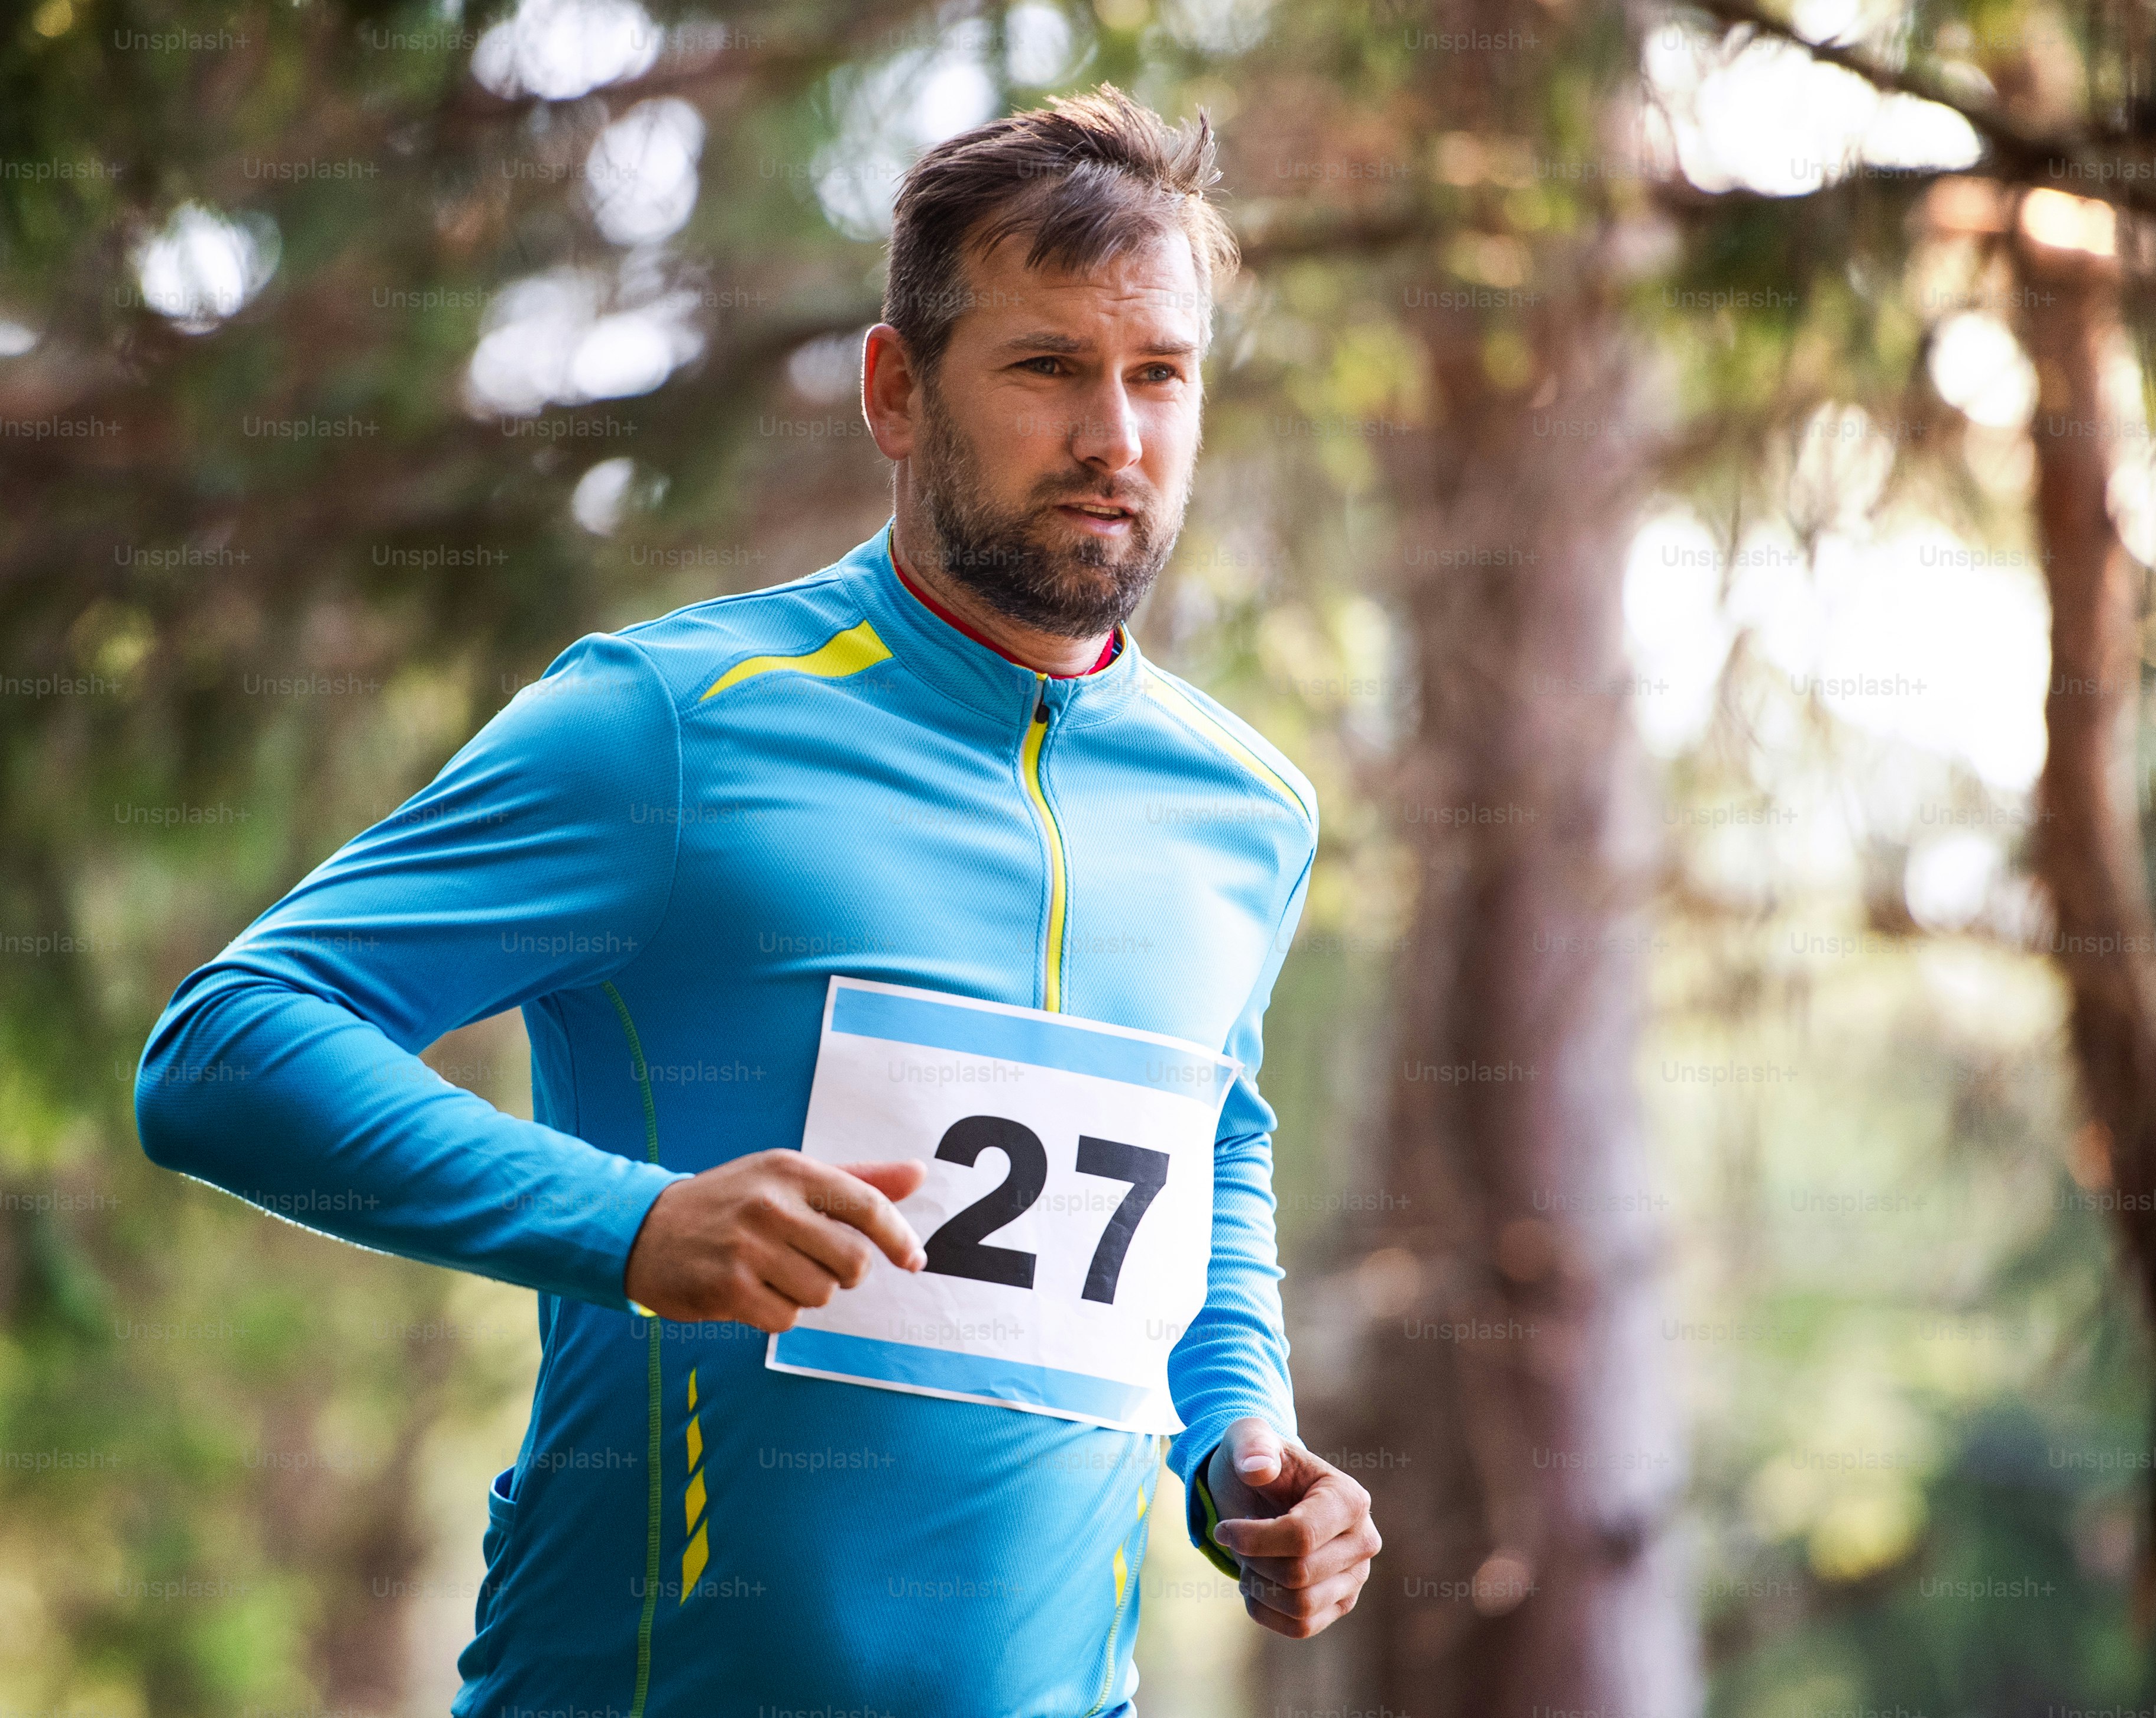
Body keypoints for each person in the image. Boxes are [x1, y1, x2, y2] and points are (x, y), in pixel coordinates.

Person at [137, 83, 1379, 1717]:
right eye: (1043, 369)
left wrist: (1241, 1445)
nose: (1114, 438)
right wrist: (633, 1227)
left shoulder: (1245, 810)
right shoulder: (669, 724)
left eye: (1159, 373)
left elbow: (1208, 1151)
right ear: (894, 391)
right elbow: (225, 1051)